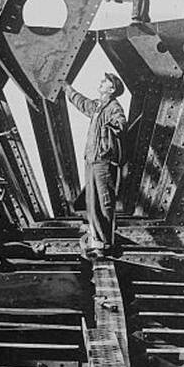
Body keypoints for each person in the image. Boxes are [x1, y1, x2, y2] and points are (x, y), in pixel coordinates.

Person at [63, 74, 127, 258]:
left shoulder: (113, 107)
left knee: (104, 202)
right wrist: (68, 89)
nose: (101, 81)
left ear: (112, 89)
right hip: (91, 159)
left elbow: (122, 123)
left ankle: (106, 243)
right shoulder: (99, 106)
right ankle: (98, 241)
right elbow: (82, 103)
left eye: (105, 81)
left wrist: (114, 125)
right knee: (92, 201)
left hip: (103, 161)